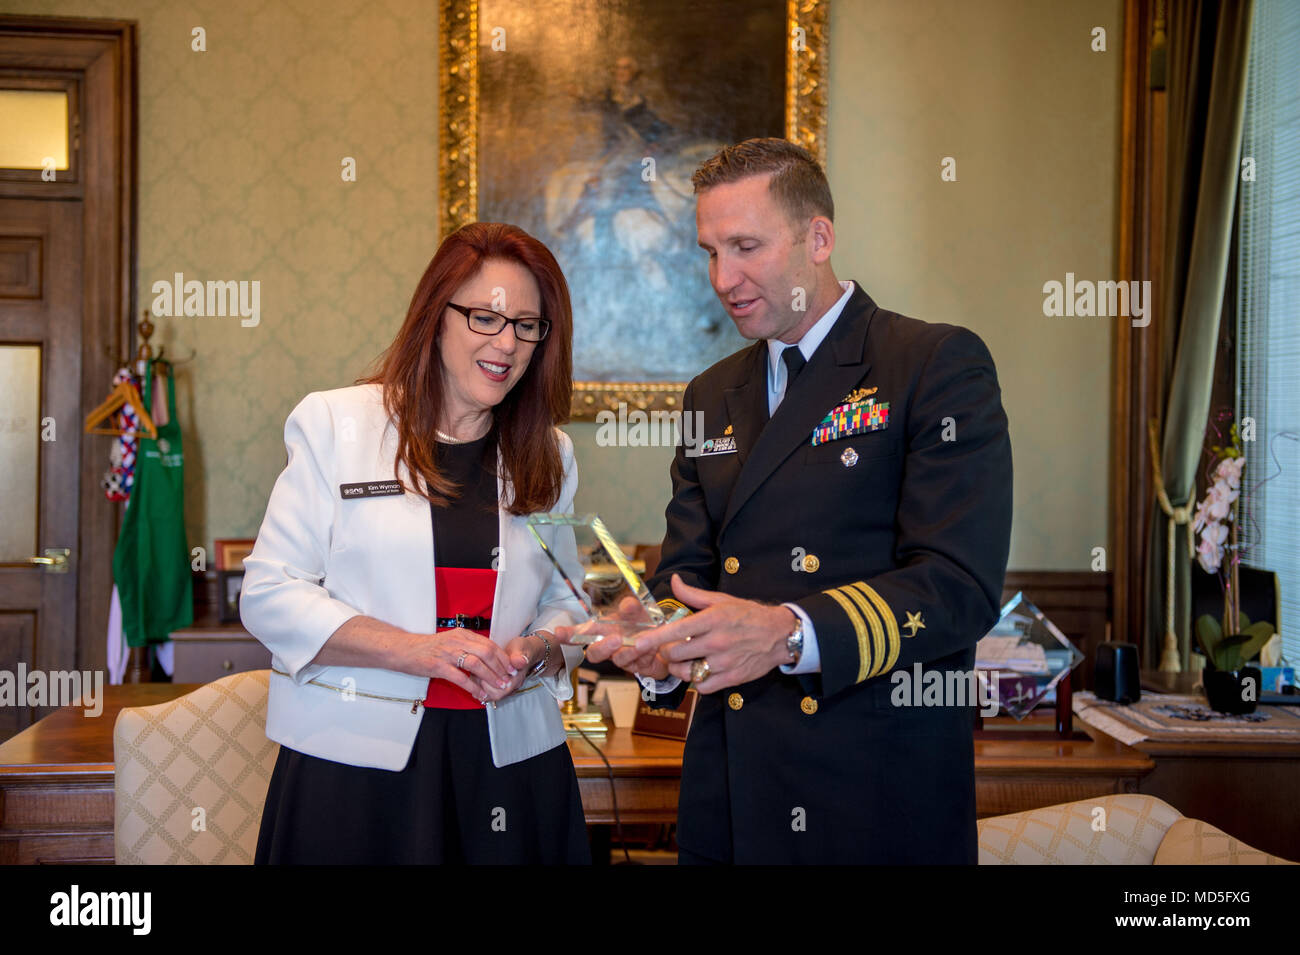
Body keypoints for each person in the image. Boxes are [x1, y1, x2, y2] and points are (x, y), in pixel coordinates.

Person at [566, 138, 1013, 864]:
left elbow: (958, 585)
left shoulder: (930, 363)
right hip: (732, 781)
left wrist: (787, 632)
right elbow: (690, 574)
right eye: (710, 251)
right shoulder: (711, 395)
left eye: (746, 246)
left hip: (871, 789)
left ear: (819, 236)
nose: (723, 276)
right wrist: (653, 631)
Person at [241, 222, 591, 864]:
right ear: (436, 317)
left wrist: (539, 649)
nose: (506, 343)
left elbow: (568, 601)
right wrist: (416, 651)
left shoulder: (551, 455)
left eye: (527, 326)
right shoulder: (336, 425)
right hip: (356, 769)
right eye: (485, 318)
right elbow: (268, 593)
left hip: (507, 762)